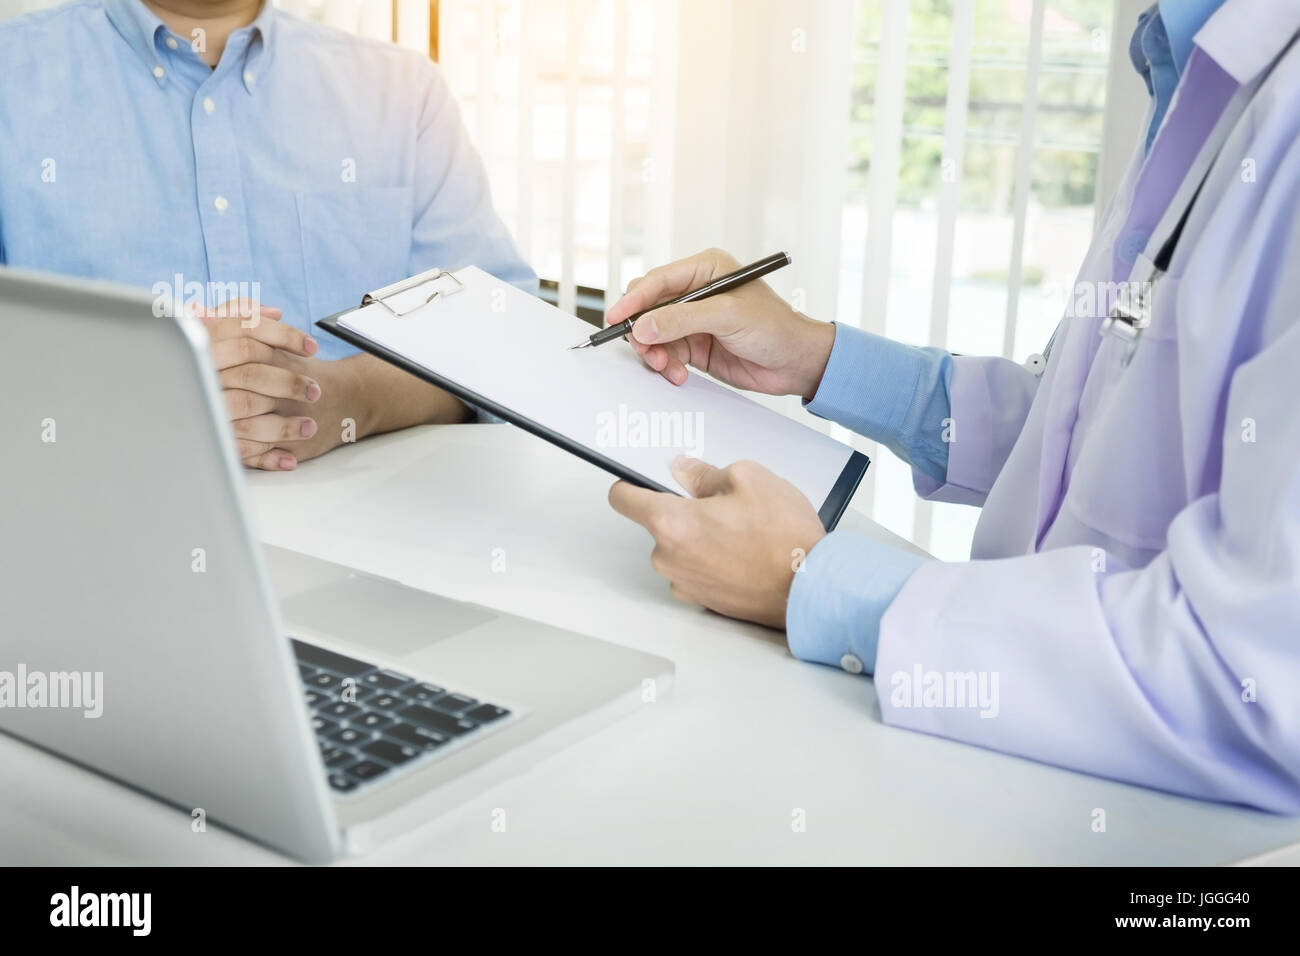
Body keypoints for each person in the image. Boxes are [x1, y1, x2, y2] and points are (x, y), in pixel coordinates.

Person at [605, 0, 1300, 812]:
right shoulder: (1186, 63)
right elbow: (1102, 437)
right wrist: (815, 356)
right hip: (1011, 776)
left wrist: (815, 579)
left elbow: (1257, 672)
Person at [0, 0, 534, 470]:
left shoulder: (404, 92)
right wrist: (135, 379)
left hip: (381, 546)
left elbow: (498, 337)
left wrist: (348, 399)